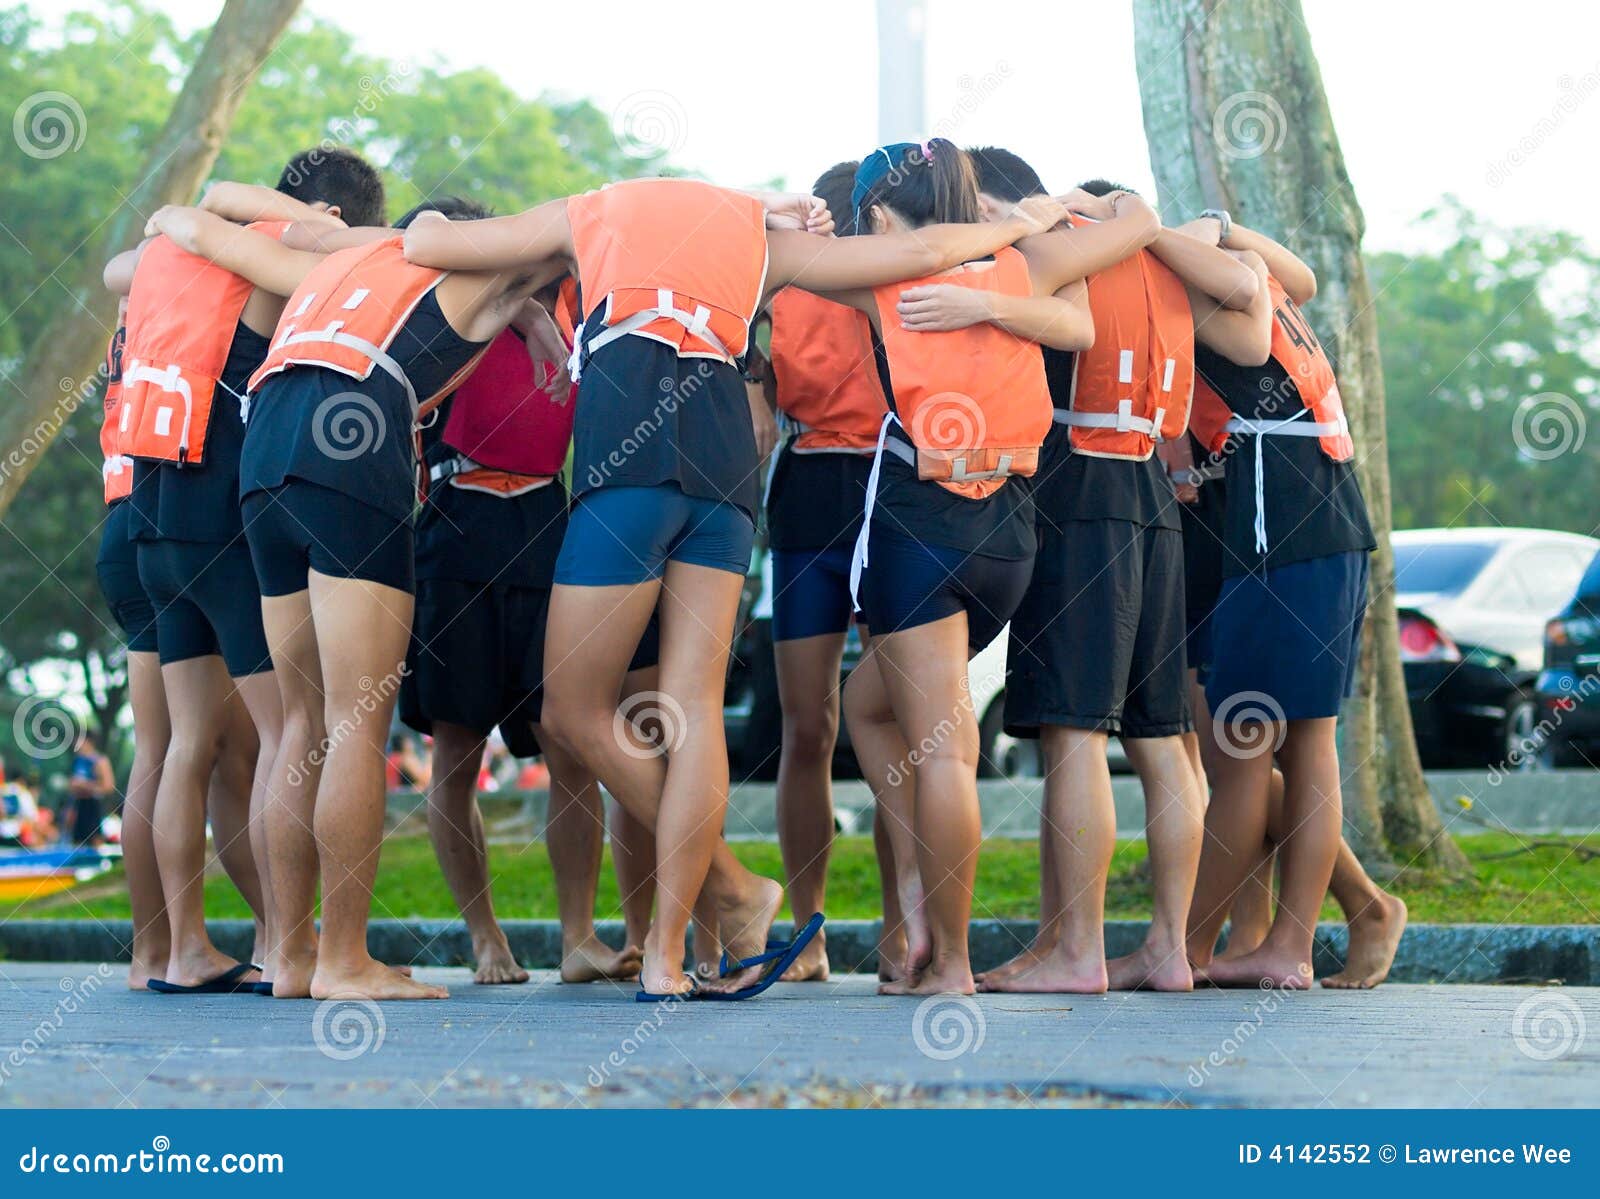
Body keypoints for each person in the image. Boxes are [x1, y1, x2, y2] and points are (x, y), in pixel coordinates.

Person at [400, 173, 1069, 998]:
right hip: (723, 468)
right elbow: (920, 251)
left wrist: (505, 273)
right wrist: (1029, 221)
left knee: (573, 709)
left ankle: (733, 886)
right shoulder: (753, 242)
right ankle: (671, 953)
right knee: (690, 709)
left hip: (632, 458)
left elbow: (426, 241)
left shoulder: (593, 212)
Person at [816, 139, 1159, 996]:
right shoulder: (1027, 259)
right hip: (1009, 536)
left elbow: (778, 262)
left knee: (943, 751)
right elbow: (1105, 276)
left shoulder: (877, 272)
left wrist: (963, 291)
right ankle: (912, 897)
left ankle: (951, 962)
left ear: (883, 218)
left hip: (922, 524)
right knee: (872, 707)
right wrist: (1023, 241)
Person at [943, 155, 1266, 994]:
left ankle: (1077, 950)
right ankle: (1167, 947)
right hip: (1155, 493)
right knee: (1162, 739)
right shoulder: (1159, 259)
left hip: (1080, 485)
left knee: (1075, 729)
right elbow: (1253, 324)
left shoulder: (1053, 246)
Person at [107, 147, 385, 996]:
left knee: (179, 744)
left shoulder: (167, 260)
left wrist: (181, 215)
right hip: (219, 514)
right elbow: (354, 261)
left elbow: (122, 261)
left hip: (140, 512)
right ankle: (284, 945)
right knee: (288, 733)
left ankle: (171, 949)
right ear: (333, 217)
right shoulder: (273, 266)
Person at [394, 200, 656, 984]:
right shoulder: (432, 321)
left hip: (548, 519)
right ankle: (486, 936)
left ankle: (580, 938)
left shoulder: (565, 305)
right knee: (456, 753)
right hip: (455, 522)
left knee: (574, 741)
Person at [1172, 214, 1380, 990]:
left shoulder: (1217, 303)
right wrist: (1224, 226)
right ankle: (1276, 940)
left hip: (1284, 528)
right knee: (1299, 742)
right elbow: (1302, 273)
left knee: (1247, 745)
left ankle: (1207, 945)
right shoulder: (1272, 289)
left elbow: (1253, 324)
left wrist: (1149, 239)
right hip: (1321, 520)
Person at [760, 160, 886, 982]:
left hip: (892, 488)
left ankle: (910, 923)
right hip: (807, 489)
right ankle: (809, 930)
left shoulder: (900, 275)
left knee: (902, 726)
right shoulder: (783, 285)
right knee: (808, 726)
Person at [66, 731, 113, 847]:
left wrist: (86, 786)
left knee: (95, 839)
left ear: (88, 742)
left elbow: (108, 786)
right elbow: (71, 785)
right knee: (76, 842)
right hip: (78, 804)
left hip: (93, 805)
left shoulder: (100, 761)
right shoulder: (77, 761)